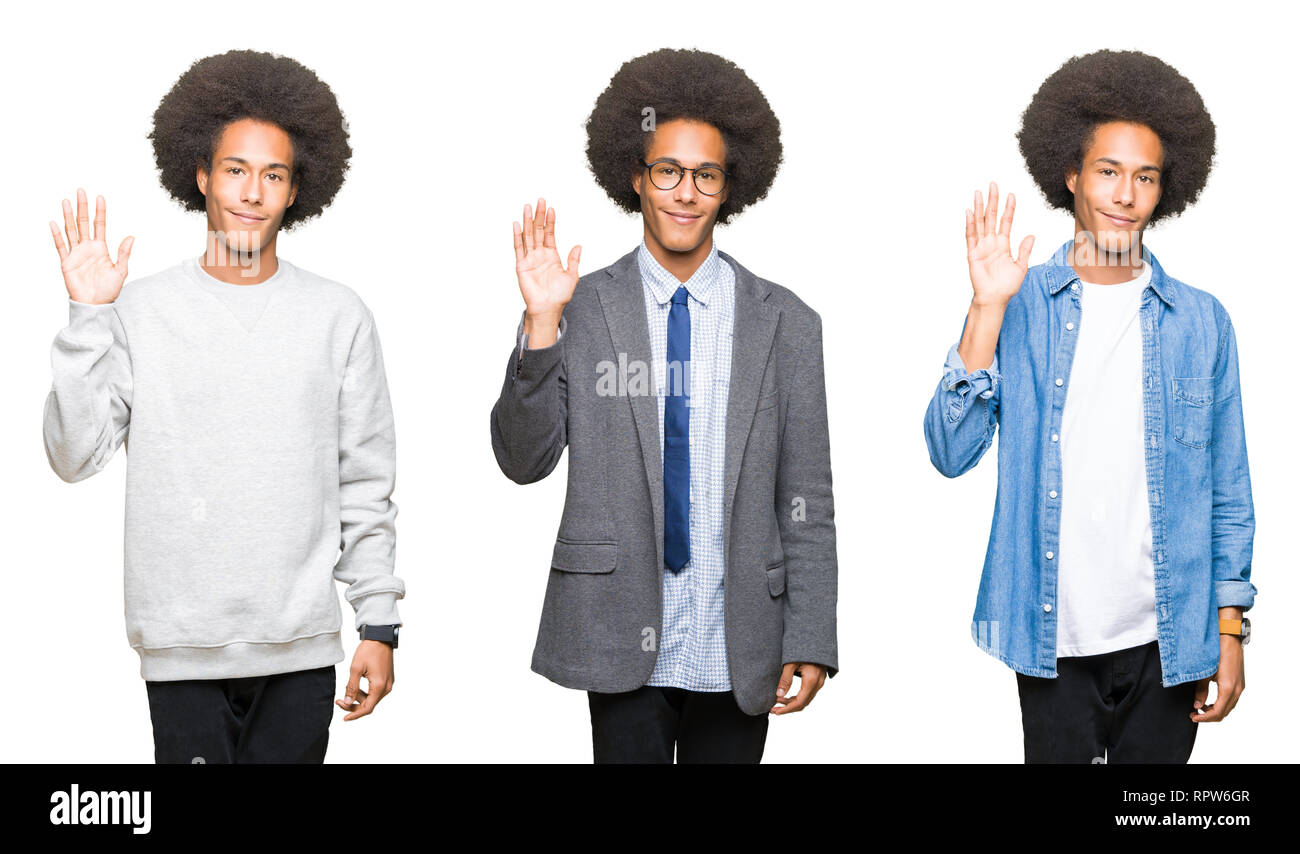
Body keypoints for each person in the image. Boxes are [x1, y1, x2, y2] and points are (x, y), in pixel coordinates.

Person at [42, 49, 404, 763]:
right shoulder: (136, 311)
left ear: (297, 190)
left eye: (273, 175)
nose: (251, 192)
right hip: (182, 651)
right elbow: (72, 457)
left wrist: (379, 625)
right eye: (235, 169)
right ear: (201, 174)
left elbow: (366, 482)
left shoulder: (339, 316)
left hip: (300, 649)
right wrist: (88, 315)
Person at [490, 48, 839, 763]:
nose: (685, 192)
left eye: (705, 175)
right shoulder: (577, 308)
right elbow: (523, 460)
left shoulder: (788, 324)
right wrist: (541, 325)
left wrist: (810, 636)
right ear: (636, 178)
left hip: (740, 636)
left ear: (728, 187)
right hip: (622, 632)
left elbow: (807, 497)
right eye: (668, 171)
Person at [923, 49, 1255, 763]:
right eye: (1108, 171)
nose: (1125, 194)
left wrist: (1229, 634)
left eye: (1145, 177)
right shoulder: (1020, 307)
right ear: (1071, 175)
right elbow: (950, 453)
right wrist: (986, 308)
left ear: (1166, 189)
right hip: (1053, 638)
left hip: (1172, 639)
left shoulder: (1202, 323)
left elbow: (1228, 492)